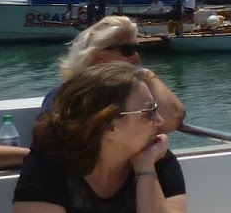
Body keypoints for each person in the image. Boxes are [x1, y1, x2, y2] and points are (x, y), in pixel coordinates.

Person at [13, 61, 190, 213]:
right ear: (108, 126)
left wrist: (146, 170)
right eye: (149, 113)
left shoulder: (158, 160)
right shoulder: (49, 165)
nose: (159, 122)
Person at [41, 15, 185, 132]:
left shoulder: (136, 95)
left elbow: (173, 119)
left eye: (137, 49)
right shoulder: (65, 97)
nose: (136, 57)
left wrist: (147, 75)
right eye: (127, 50)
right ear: (100, 57)